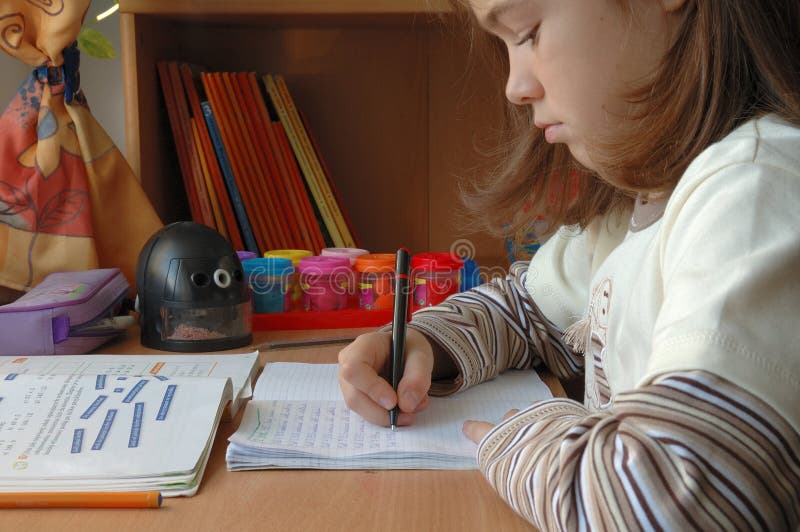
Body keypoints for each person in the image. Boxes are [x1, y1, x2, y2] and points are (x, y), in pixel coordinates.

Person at [338, 0, 800, 529]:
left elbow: (672, 506)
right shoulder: (638, 199)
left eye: (527, 33)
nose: (514, 87)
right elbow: (528, 311)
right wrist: (426, 344)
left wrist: (526, 436)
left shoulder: (756, 192)